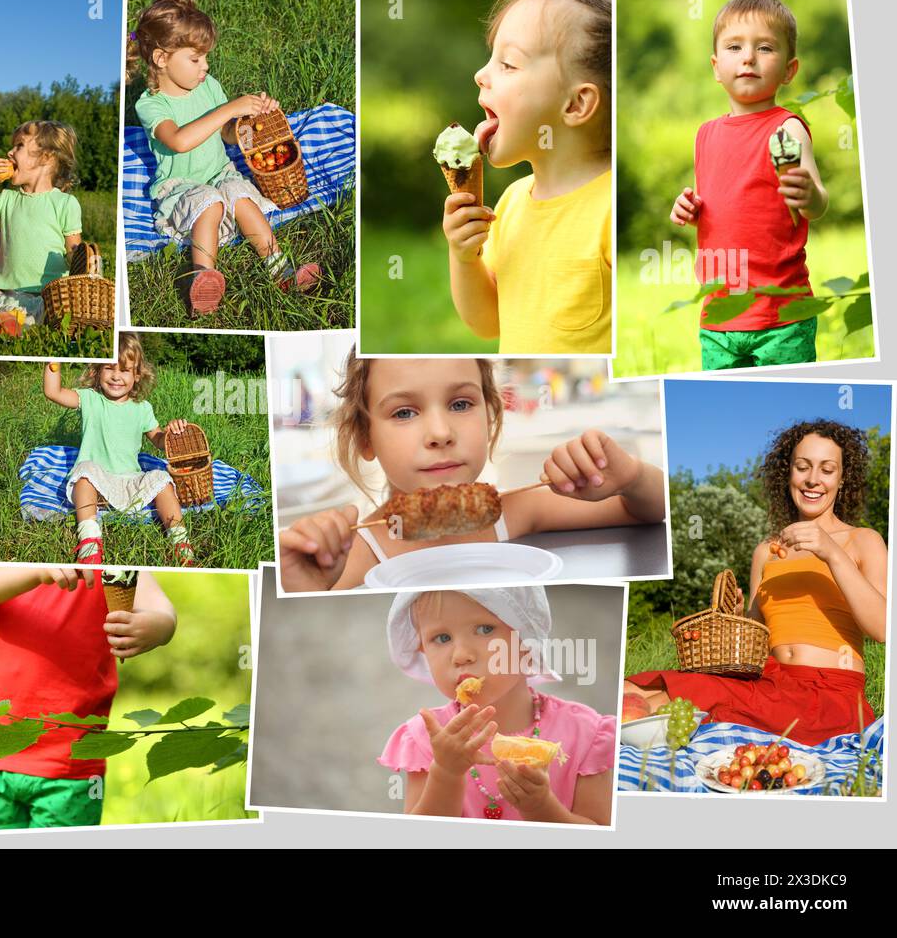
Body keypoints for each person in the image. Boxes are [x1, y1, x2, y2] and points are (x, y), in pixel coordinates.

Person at [276, 351, 665, 591]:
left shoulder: (518, 511)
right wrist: (304, 588)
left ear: (491, 415)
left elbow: (650, 509)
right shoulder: (360, 554)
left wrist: (631, 477)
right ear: (365, 438)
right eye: (405, 412)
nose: (441, 433)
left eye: (461, 404)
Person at [625, 420, 886, 745]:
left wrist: (831, 552)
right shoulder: (767, 550)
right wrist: (736, 620)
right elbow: (756, 640)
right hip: (769, 681)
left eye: (827, 469)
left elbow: (883, 628)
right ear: (787, 473)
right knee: (630, 689)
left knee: (674, 699)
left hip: (830, 695)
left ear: (843, 478)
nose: (813, 479)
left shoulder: (863, 541)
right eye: (802, 467)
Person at [441, 0, 612, 354]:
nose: (480, 74)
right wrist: (465, 258)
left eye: (508, 64)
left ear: (575, 105)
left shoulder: (608, 209)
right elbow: (488, 323)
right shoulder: (512, 203)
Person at [127, 0, 321, 315]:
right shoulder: (150, 104)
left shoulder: (208, 85)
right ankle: (199, 280)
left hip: (220, 173)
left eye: (205, 58)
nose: (205, 67)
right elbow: (178, 140)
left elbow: (226, 132)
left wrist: (250, 121)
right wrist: (230, 107)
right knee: (209, 201)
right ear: (161, 59)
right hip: (180, 188)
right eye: (195, 59)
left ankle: (280, 269)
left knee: (239, 194)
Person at [670, 0, 828, 370]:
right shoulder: (705, 134)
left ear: (789, 70)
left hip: (781, 314)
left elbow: (818, 203)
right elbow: (718, 205)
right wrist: (689, 208)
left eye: (765, 48)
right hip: (720, 313)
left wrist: (808, 193)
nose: (748, 57)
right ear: (715, 66)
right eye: (735, 46)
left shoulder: (786, 127)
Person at [0, 565, 176, 830]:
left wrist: (158, 628)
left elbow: (162, 611)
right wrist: (36, 571)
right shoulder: (12, 545)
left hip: (70, 760)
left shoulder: (112, 547)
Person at [378, 587, 614, 823]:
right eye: (442, 638)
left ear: (528, 642)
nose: (461, 655)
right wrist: (445, 773)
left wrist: (542, 808)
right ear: (423, 649)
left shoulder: (583, 734)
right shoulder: (428, 738)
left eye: (485, 629)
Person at [43, 333, 194, 566]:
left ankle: (180, 543)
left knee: (162, 479)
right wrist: (54, 357)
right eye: (109, 368)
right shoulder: (90, 399)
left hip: (131, 480)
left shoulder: (142, 408)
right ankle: (90, 542)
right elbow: (53, 392)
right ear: (97, 371)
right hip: (96, 482)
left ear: (137, 375)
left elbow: (158, 440)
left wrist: (172, 433)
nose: (116, 377)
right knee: (84, 471)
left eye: (124, 370)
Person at [0, 120, 83, 333]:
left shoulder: (64, 203)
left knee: (48, 320)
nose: (9, 152)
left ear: (46, 157)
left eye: (19, 146)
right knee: (4, 322)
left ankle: (26, 327)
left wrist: (85, 264)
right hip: (12, 297)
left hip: (50, 296)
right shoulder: (6, 199)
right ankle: (15, 327)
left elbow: (74, 252)